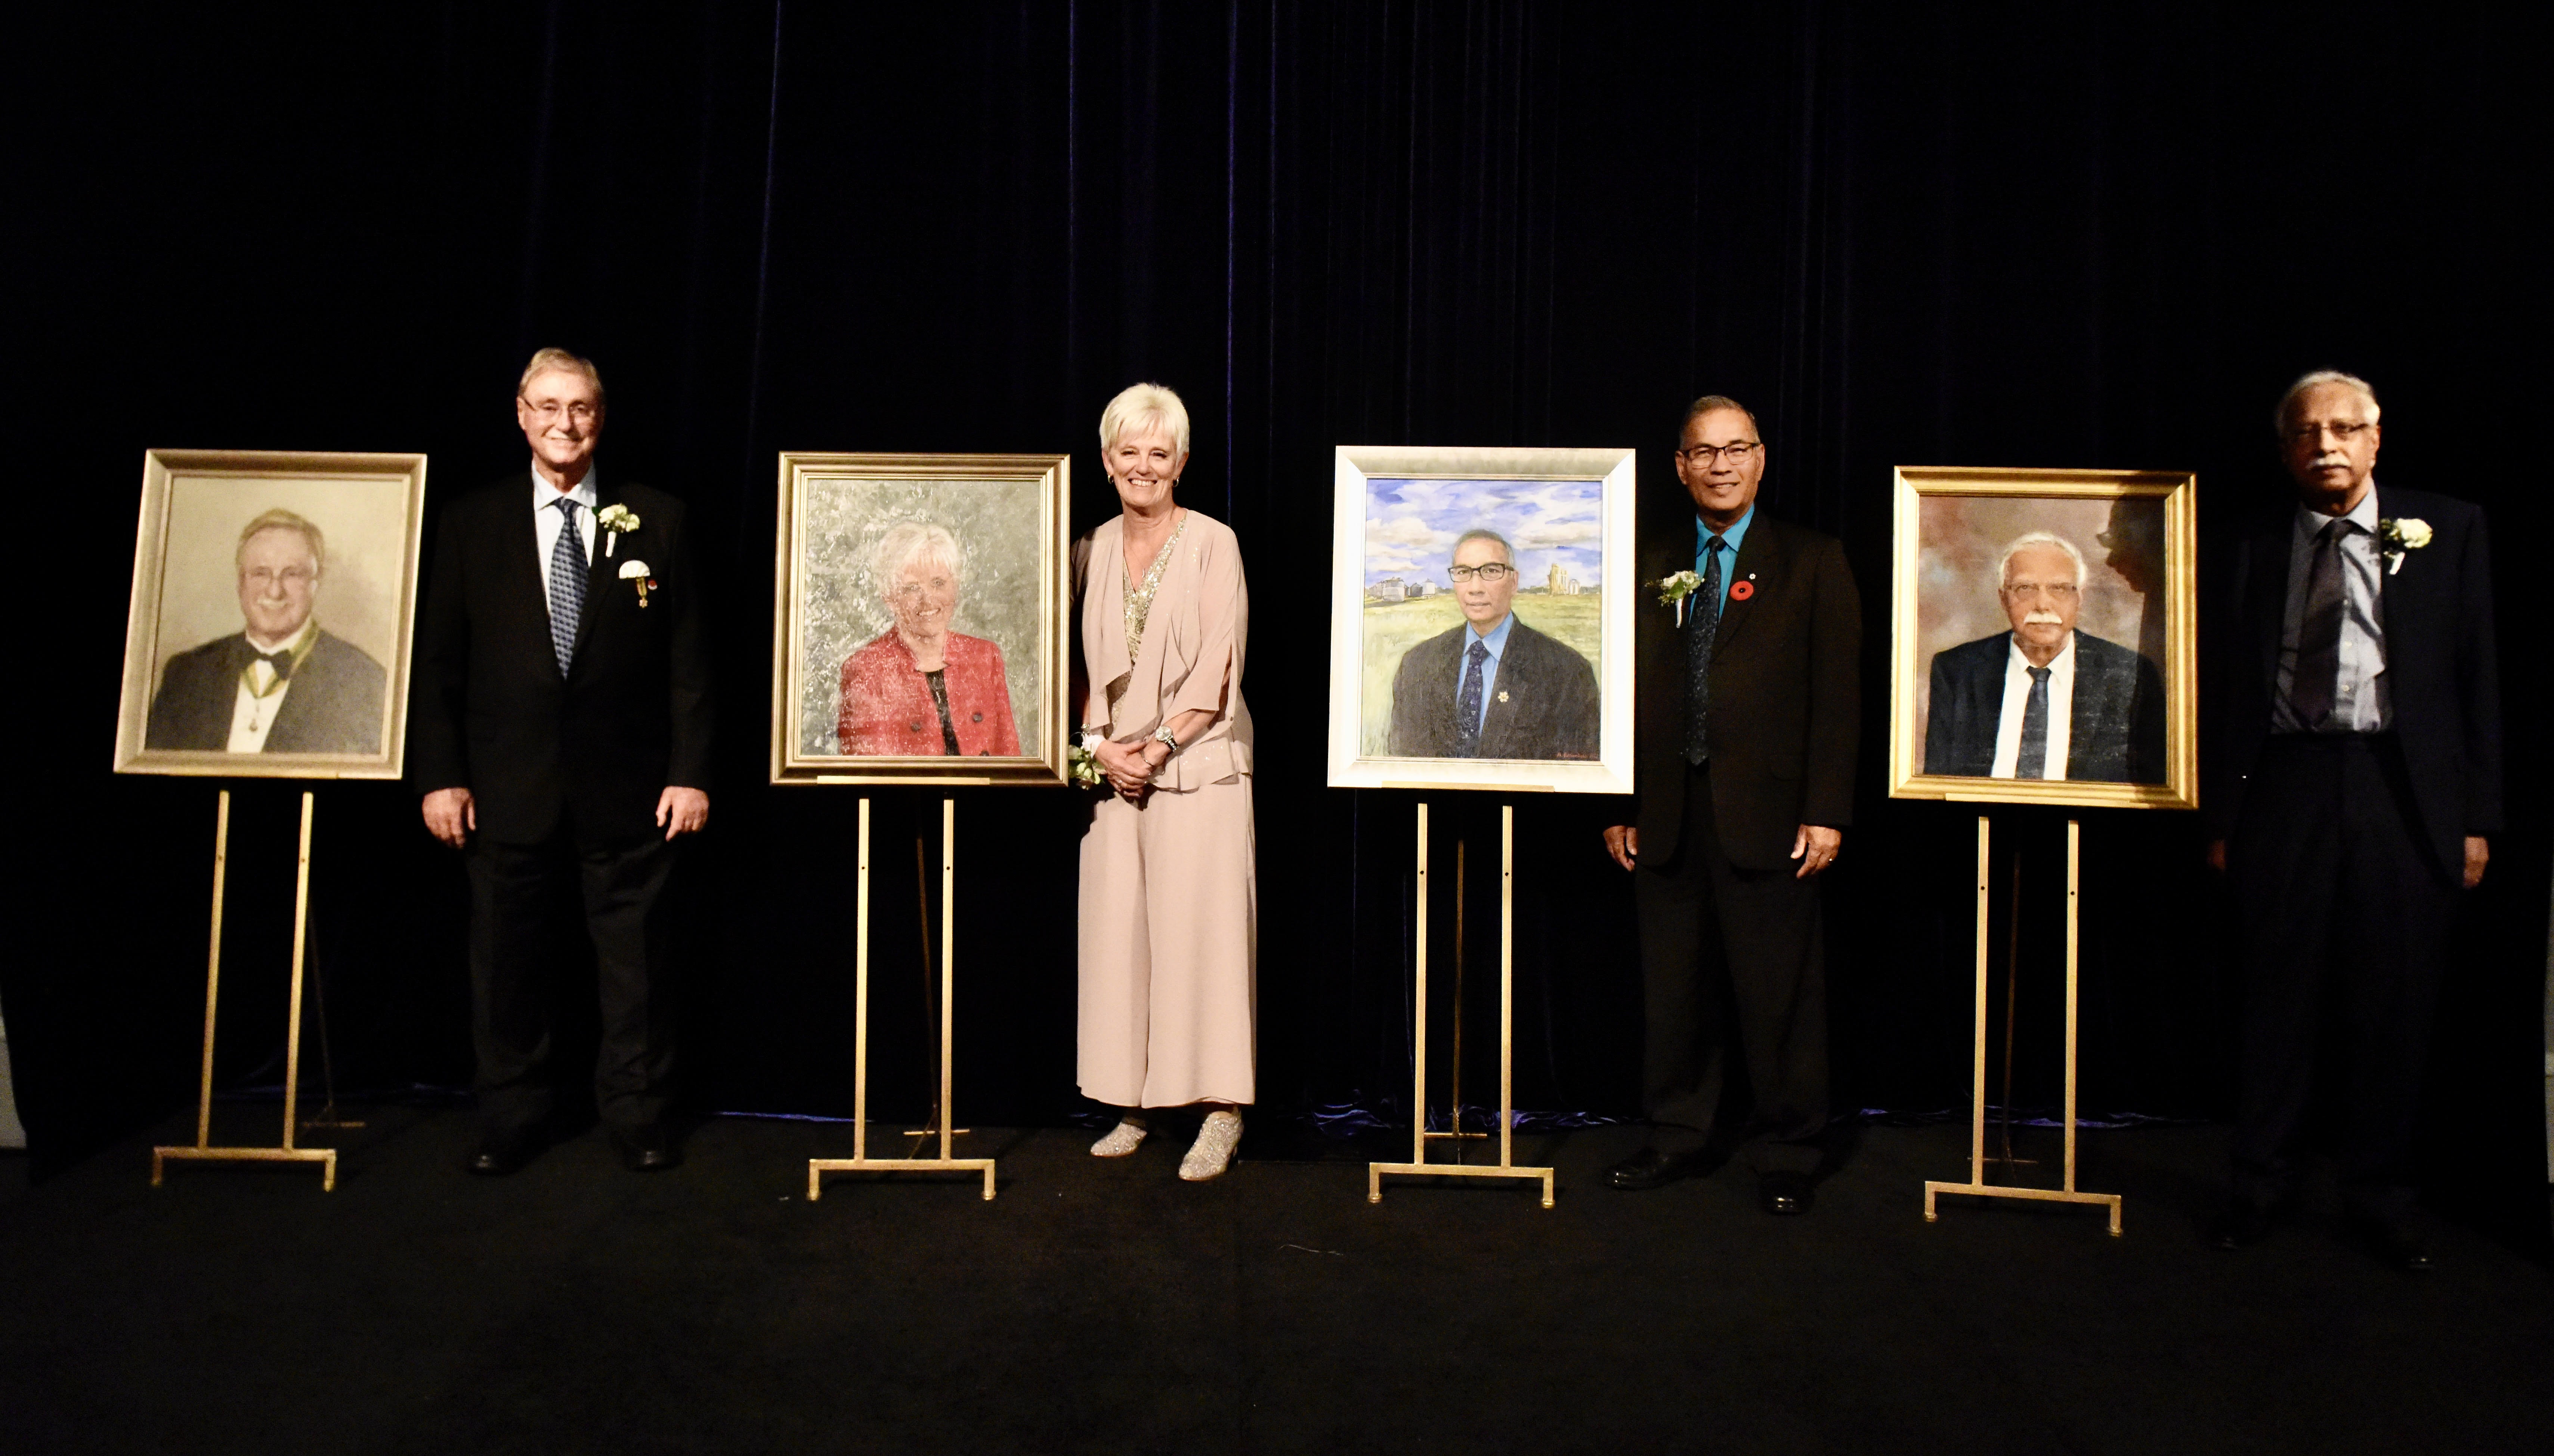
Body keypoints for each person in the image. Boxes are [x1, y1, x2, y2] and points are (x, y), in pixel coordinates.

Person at [2204, 370, 2499, 1269]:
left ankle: (2379, 1192)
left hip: (2399, 787)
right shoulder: (2248, 540)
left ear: (2376, 439)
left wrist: (2476, 817)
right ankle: (2259, 1180)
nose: (2324, 444)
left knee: (2394, 998)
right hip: (2285, 782)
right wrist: (2221, 813)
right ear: (2285, 447)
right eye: (2306, 431)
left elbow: (2477, 675)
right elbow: (2220, 690)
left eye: (2343, 428)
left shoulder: (2446, 527)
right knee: (2276, 996)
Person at [411, 348, 714, 1177]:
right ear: (520, 414)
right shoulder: (471, 522)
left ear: (600, 416)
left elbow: (690, 664)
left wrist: (690, 773)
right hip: (505, 789)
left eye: (579, 407)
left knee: (638, 969)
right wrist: (441, 774)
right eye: (548, 406)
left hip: (631, 791)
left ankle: (640, 1116)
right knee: (506, 965)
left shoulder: (659, 517)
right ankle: (512, 1116)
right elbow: (437, 663)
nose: (564, 423)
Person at [1601, 394, 1858, 1215]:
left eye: (1735, 448)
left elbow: (1839, 698)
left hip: (1774, 817)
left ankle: (1788, 1148)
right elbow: (1625, 691)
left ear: (1760, 458)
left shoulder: (1814, 560)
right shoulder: (1647, 560)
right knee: (1673, 989)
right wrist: (1619, 800)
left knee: (1777, 991)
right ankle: (1676, 1134)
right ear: (1679, 467)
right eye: (1702, 452)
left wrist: (1827, 810)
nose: (1720, 464)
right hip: (1668, 812)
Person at [1075, 382, 1256, 1181]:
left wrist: (1151, 746)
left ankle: (1219, 1110)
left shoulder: (1215, 540)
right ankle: (1131, 1101)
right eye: (1129, 451)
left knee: (1204, 941)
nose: (1143, 466)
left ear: (1181, 460)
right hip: (1112, 774)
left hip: (1199, 767)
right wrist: (1097, 749)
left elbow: (1220, 663)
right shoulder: (1087, 548)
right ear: (1107, 459)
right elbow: (1069, 669)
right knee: (1121, 940)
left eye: (1160, 451)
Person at [1922, 531, 2165, 781]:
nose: (2042, 604)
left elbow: (2150, 787)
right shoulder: (1956, 670)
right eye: (2025, 588)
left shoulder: (2130, 674)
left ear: (2079, 599)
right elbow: (1939, 785)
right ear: (2004, 599)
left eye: (2059, 589)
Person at [145, 509, 387, 754]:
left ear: (315, 583)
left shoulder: (363, 681)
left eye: (292, 575)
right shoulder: (186, 675)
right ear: (241, 582)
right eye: (261, 574)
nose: (274, 591)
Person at [1385, 529, 1600, 759]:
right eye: (1463, 572)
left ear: (1514, 582)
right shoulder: (1417, 664)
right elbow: (1403, 763)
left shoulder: (1567, 672)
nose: (1475, 588)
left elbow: (1576, 776)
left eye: (1491, 571)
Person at [836, 521, 1021, 755]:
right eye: (912, 588)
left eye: (938, 583)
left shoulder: (985, 657)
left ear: (954, 586)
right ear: (889, 597)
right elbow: (869, 776)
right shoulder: (866, 669)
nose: (928, 600)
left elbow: (1010, 758)